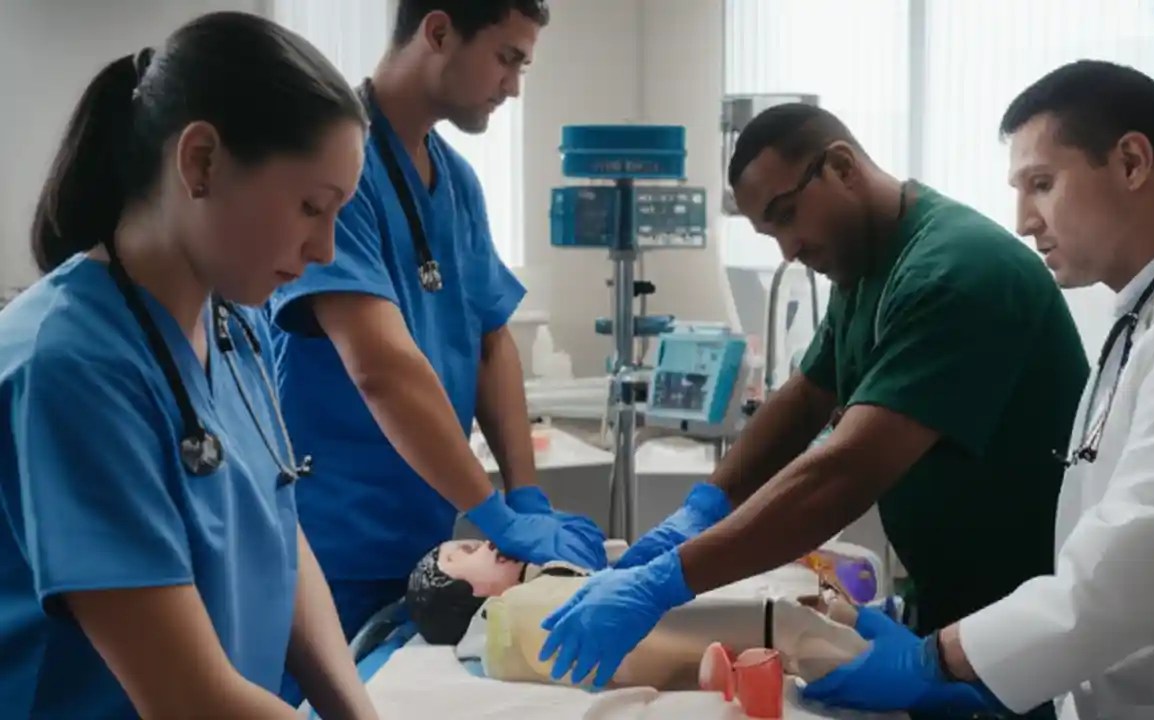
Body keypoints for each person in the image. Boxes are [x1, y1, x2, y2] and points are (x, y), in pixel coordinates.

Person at [536, 101, 1090, 719]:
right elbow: (804, 398)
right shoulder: (867, 270)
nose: (788, 250)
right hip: (952, 607)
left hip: (1017, 628)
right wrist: (700, 510)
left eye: (786, 216)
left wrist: (668, 580)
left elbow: (844, 472)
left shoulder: (957, 272)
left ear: (843, 167)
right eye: (770, 233)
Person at [797, 60, 1154, 720]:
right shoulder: (1149, 318)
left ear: (1133, 162)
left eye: (1042, 185)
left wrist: (934, 658)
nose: (1024, 221)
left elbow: (1117, 584)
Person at [0, 12, 379, 719]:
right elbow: (187, 698)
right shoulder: (67, 367)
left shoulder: (237, 328)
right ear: (200, 161)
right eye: (310, 207)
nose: (325, 249)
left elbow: (279, 535)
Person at [266, 0, 605, 645]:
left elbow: (489, 341)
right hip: (329, 542)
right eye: (506, 59)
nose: (513, 86)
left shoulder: (456, 181)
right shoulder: (339, 173)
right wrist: (493, 515)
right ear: (439, 31)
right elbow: (381, 369)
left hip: (421, 536)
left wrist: (523, 496)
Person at [405, 540, 867, 691]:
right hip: (749, 632)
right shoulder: (516, 615)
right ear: (454, 591)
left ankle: (867, 630)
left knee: (819, 610)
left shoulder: (530, 597)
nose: (487, 543)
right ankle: (902, 661)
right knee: (790, 626)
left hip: (699, 624)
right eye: (465, 550)